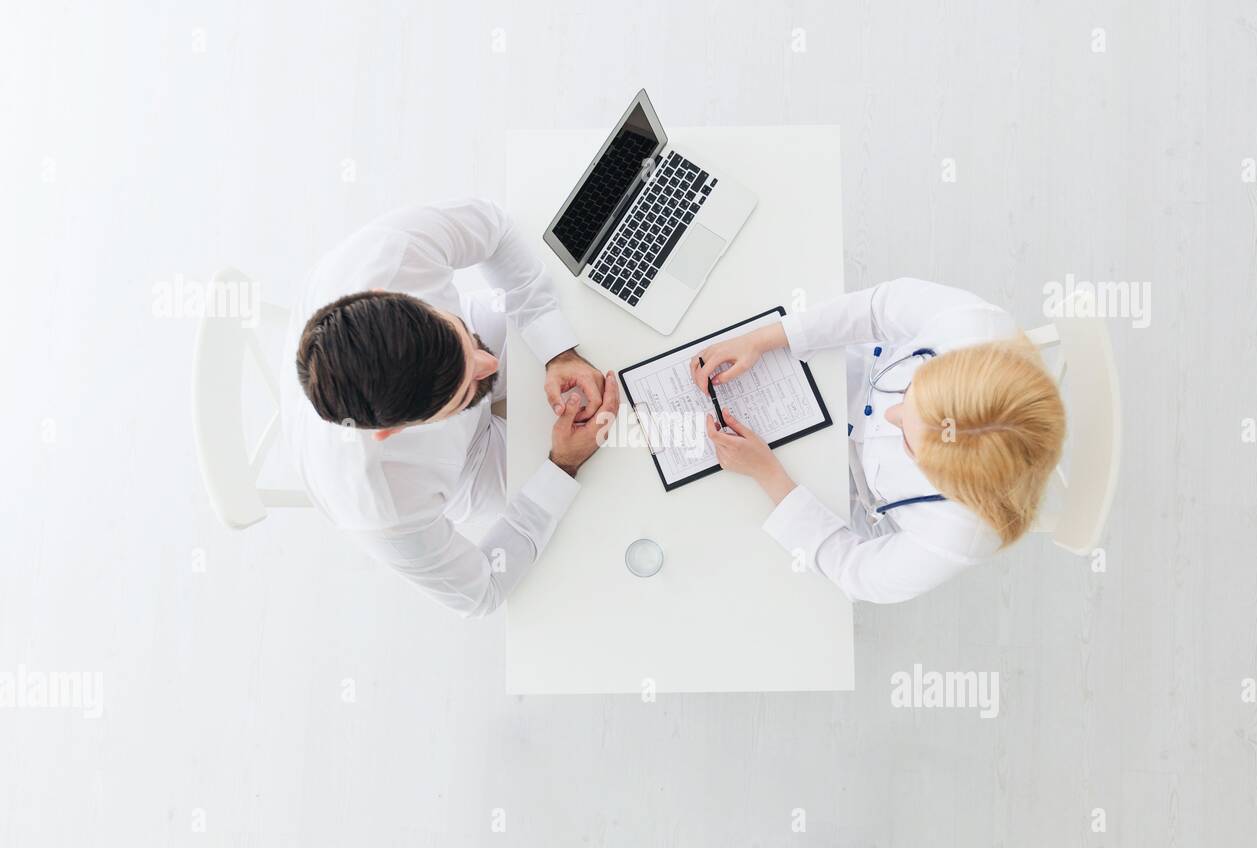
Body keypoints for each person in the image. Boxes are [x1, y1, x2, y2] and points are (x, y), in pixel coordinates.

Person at [281, 199, 618, 618]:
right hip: (464, 468)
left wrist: (558, 351)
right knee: (607, 483)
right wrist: (561, 467)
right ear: (395, 432)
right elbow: (484, 592)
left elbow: (495, 230)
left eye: (461, 335)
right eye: (464, 394)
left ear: (387, 293)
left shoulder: (393, 251)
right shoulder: (386, 506)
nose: (490, 364)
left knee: (601, 330)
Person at [692, 278, 1066, 603]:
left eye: (907, 438)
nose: (891, 415)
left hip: (847, 488)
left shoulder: (959, 535)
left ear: (948, 484)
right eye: (910, 393)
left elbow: (857, 572)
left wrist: (768, 475)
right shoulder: (971, 327)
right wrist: (766, 338)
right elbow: (877, 308)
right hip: (839, 375)